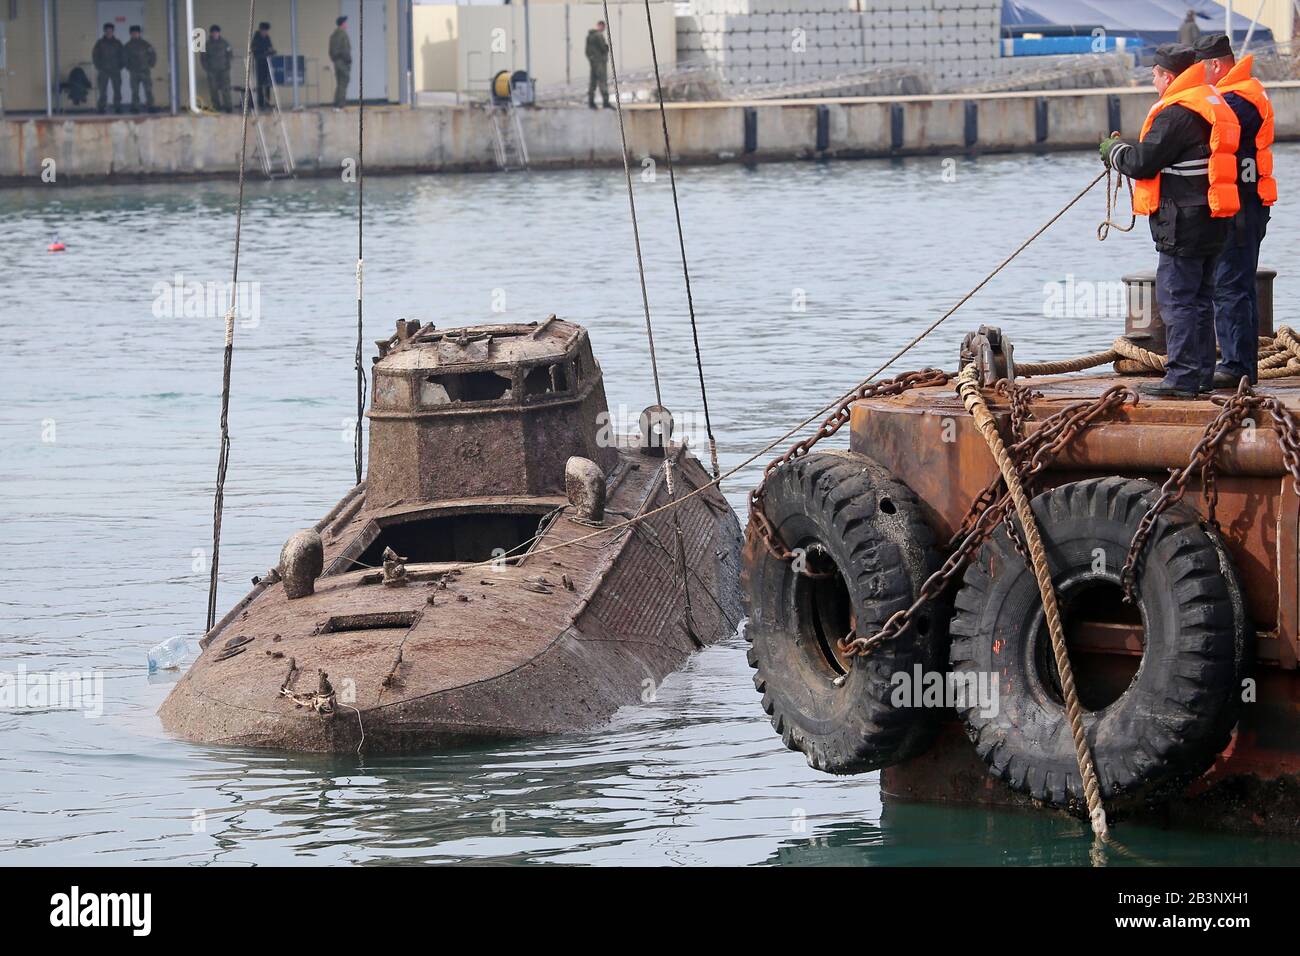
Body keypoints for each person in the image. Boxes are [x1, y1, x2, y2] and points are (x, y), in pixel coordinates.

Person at [1100, 43, 1241, 398]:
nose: (1153, 81)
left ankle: (1180, 378)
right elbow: (1165, 152)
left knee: (1177, 299)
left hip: (1183, 223)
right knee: (1200, 300)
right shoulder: (1210, 102)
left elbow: (1144, 162)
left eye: (1155, 75)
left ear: (1168, 76)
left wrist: (1114, 151)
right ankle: (1202, 375)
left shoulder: (1174, 113)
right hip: (1213, 219)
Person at [1196, 33, 1277, 387]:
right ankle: (1240, 363)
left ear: (1215, 64)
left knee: (1230, 285)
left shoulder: (1237, 100)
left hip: (1241, 208)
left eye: (1201, 70)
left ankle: (1236, 365)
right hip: (1246, 204)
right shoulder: (1243, 93)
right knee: (1237, 284)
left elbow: (1205, 134)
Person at [92, 22, 126, 114]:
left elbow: (123, 55)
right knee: (102, 90)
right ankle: (101, 107)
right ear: (104, 31)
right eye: (107, 30)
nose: (109, 32)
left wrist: (121, 66)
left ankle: (117, 107)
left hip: (115, 70)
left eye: (110, 31)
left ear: (113, 31)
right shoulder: (100, 43)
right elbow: (95, 55)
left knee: (117, 90)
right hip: (103, 70)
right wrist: (98, 66)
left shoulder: (118, 43)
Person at [200, 24, 233, 113]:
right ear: (211, 33)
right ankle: (216, 106)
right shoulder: (206, 44)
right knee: (213, 89)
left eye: (216, 32)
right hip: (212, 71)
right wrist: (207, 68)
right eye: (213, 33)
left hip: (224, 70)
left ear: (219, 33)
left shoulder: (225, 43)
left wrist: (227, 66)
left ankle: (228, 106)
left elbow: (230, 55)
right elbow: (202, 58)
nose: (215, 34)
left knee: (226, 88)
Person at [124, 25, 156, 113]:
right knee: (135, 91)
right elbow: (124, 57)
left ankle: (151, 106)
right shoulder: (127, 46)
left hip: (145, 71)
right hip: (134, 72)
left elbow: (152, 54)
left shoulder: (145, 44)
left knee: (148, 90)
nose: (134, 34)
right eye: (133, 33)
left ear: (139, 33)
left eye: (136, 33)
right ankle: (135, 107)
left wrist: (151, 64)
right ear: (130, 34)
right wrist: (127, 66)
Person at [251, 21, 276, 108]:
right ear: (261, 30)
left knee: (268, 83)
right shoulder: (256, 38)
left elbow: (270, 48)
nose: (265, 32)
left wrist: (271, 51)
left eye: (267, 31)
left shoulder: (267, 38)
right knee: (260, 84)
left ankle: (267, 102)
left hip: (267, 63)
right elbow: (254, 50)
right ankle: (260, 103)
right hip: (259, 63)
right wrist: (263, 52)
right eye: (264, 30)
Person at [329, 16, 352, 110]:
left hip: (336, 61)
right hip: (343, 62)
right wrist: (349, 60)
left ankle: (336, 104)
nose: (346, 24)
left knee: (339, 83)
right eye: (345, 23)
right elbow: (345, 49)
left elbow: (330, 50)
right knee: (344, 82)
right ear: (342, 24)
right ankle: (340, 105)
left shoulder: (333, 35)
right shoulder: (343, 34)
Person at [586, 21, 610, 109]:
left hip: (593, 63)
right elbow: (603, 48)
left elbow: (587, 51)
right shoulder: (599, 35)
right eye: (603, 27)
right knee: (602, 81)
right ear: (600, 26)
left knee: (593, 82)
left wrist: (591, 59)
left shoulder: (590, 36)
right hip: (600, 62)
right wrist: (607, 47)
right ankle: (606, 102)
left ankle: (591, 102)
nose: (604, 29)